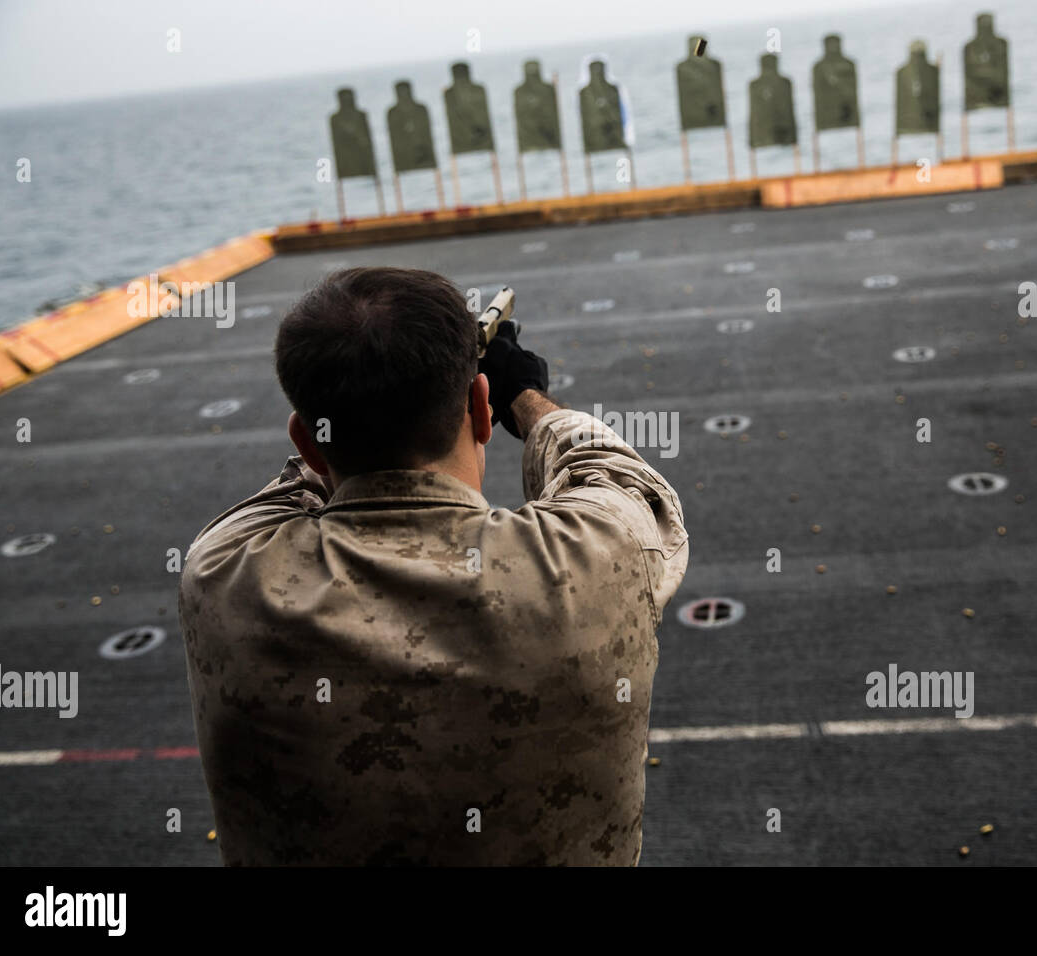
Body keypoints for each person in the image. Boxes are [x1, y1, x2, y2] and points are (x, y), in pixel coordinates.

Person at [178, 267, 688, 865]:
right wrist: (525, 397)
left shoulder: (223, 574)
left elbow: (295, 484)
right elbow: (614, 471)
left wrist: (348, 411)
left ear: (307, 439)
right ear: (480, 406)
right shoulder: (599, 554)